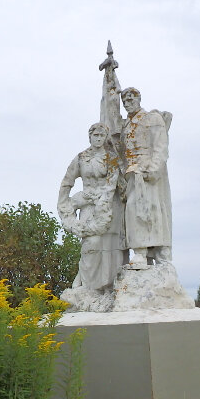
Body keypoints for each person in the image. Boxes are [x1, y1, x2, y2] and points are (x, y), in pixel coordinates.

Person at [57, 122, 128, 292]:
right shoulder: (81, 158)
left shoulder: (111, 158)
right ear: (90, 136)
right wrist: (64, 205)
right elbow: (67, 182)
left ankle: (107, 286)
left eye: (101, 136)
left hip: (108, 203)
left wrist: (102, 202)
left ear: (105, 138)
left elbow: (111, 185)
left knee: (110, 246)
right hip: (87, 203)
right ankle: (87, 285)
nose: (98, 138)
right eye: (95, 135)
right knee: (91, 243)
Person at [119, 87, 172, 267]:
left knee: (154, 211)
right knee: (134, 212)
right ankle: (140, 251)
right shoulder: (126, 125)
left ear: (138, 99)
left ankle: (160, 252)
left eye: (130, 99)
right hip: (132, 174)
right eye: (124, 101)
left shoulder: (152, 118)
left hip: (149, 173)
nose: (127, 103)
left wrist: (154, 169)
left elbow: (160, 146)